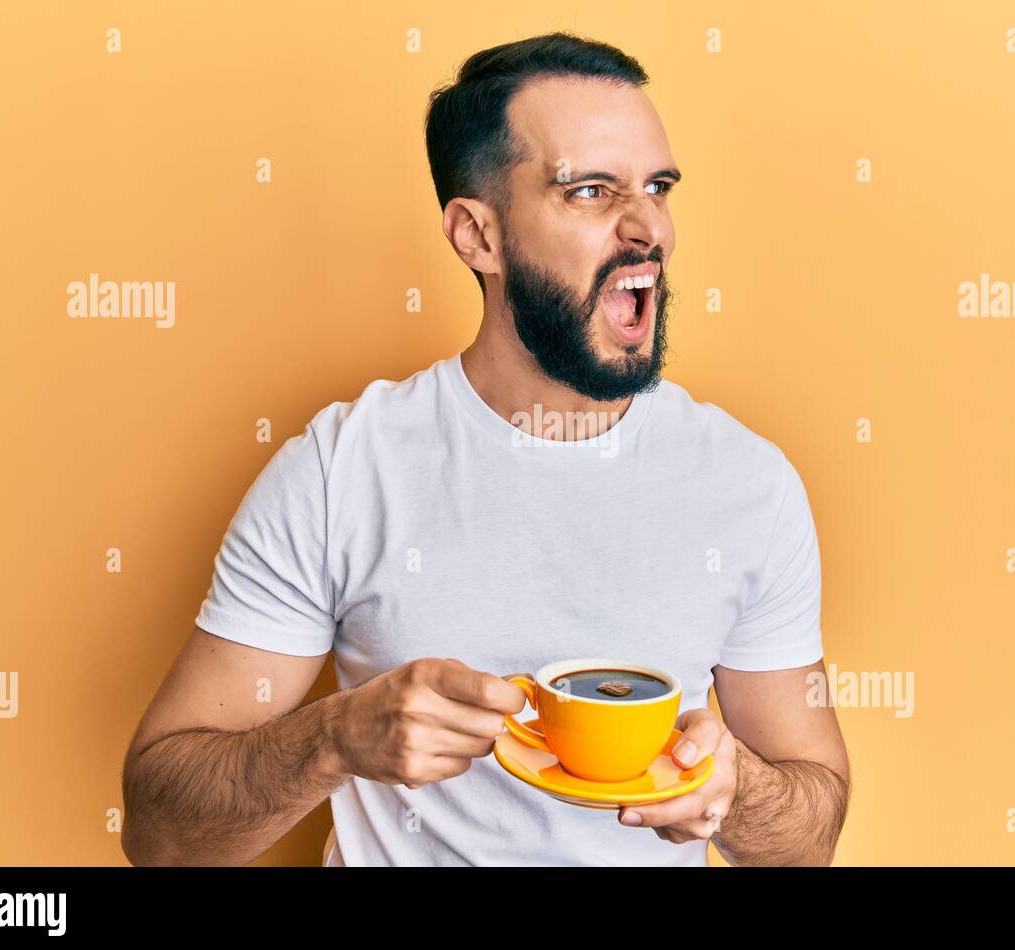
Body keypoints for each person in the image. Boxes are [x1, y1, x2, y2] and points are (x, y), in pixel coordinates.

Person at [120, 31, 850, 867]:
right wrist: (332, 738)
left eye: (657, 188)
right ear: (478, 237)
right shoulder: (342, 470)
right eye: (589, 191)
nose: (649, 227)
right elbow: (160, 836)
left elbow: (808, 841)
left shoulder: (747, 485)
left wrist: (738, 790)